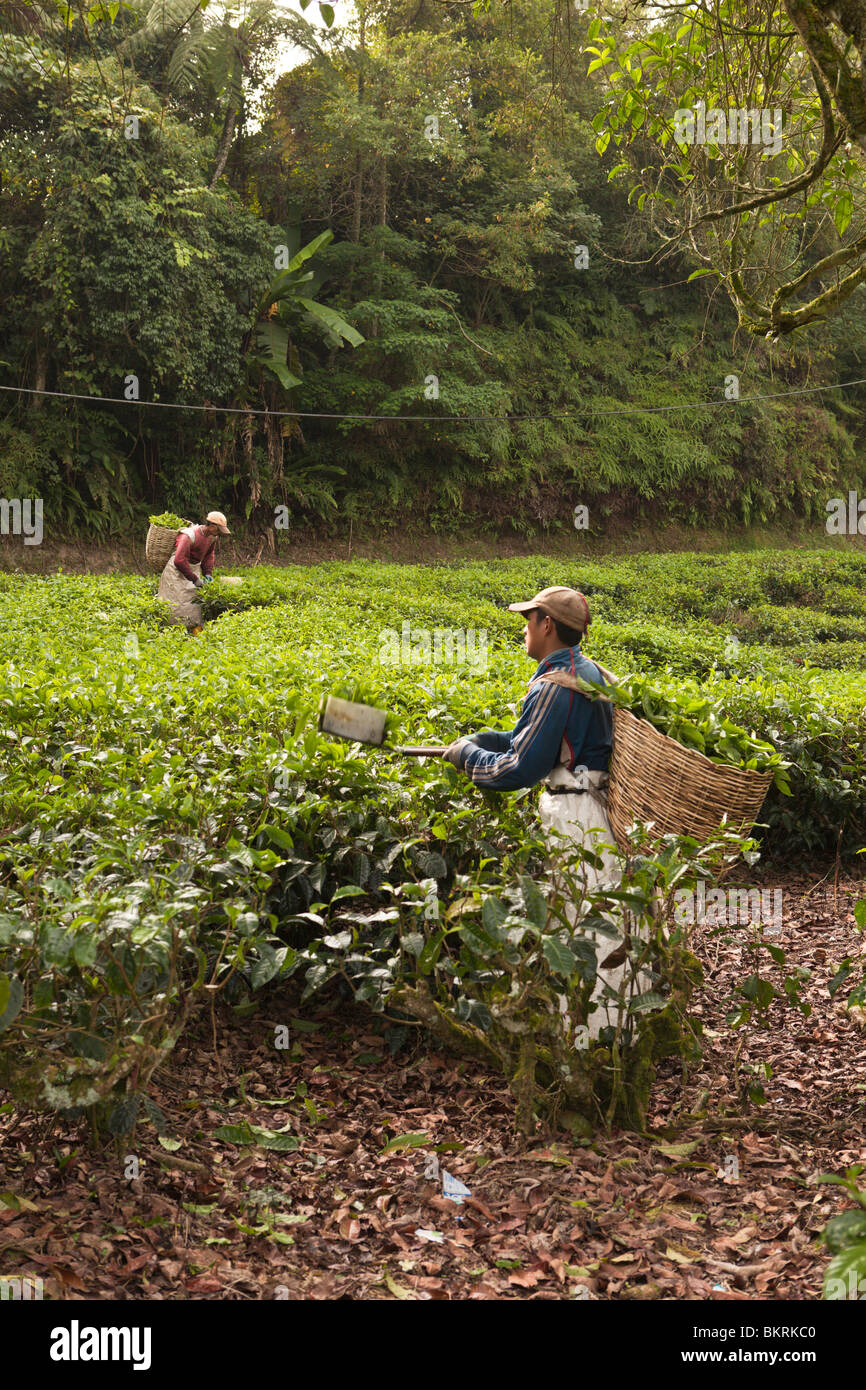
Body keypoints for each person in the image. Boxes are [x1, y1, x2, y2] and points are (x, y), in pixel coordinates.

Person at [442, 585, 643, 1036]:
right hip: (594, 808)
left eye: (528, 620)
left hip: (577, 819)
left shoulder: (555, 685)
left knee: (585, 926)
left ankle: (592, 1041)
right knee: (598, 919)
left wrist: (469, 760)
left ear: (546, 625)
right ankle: (611, 1033)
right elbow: (524, 739)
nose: (524, 629)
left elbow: (519, 768)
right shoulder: (586, 672)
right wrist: (477, 741)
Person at [158, 510, 231, 628]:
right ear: (212, 525)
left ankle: (191, 629)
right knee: (175, 602)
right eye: (218, 529)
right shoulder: (189, 536)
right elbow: (179, 561)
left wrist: (208, 573)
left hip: (193, 569)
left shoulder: (212, 538)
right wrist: (194, 579)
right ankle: (169, 629)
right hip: (176, 571)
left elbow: (209, 555)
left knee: (193, 603)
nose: (219, 533)